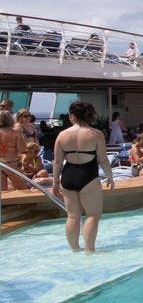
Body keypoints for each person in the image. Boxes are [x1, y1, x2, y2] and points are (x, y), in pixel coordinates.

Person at [52, 101, 114, 252]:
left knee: (72, 216)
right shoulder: (95, 134)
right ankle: (89, 250)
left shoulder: (62, 135)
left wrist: (54, 183)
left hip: (68, 175)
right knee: (92, 215)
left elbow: (57, 161)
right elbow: (103, 159)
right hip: (88, 175)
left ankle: (74, 249)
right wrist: (110, 177)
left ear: (72, 115)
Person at [0, 110, 29, 191]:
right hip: (12, 164)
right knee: (23, 189)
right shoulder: (16, 133)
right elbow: (22, 149)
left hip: (1, 163)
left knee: (2, 191)